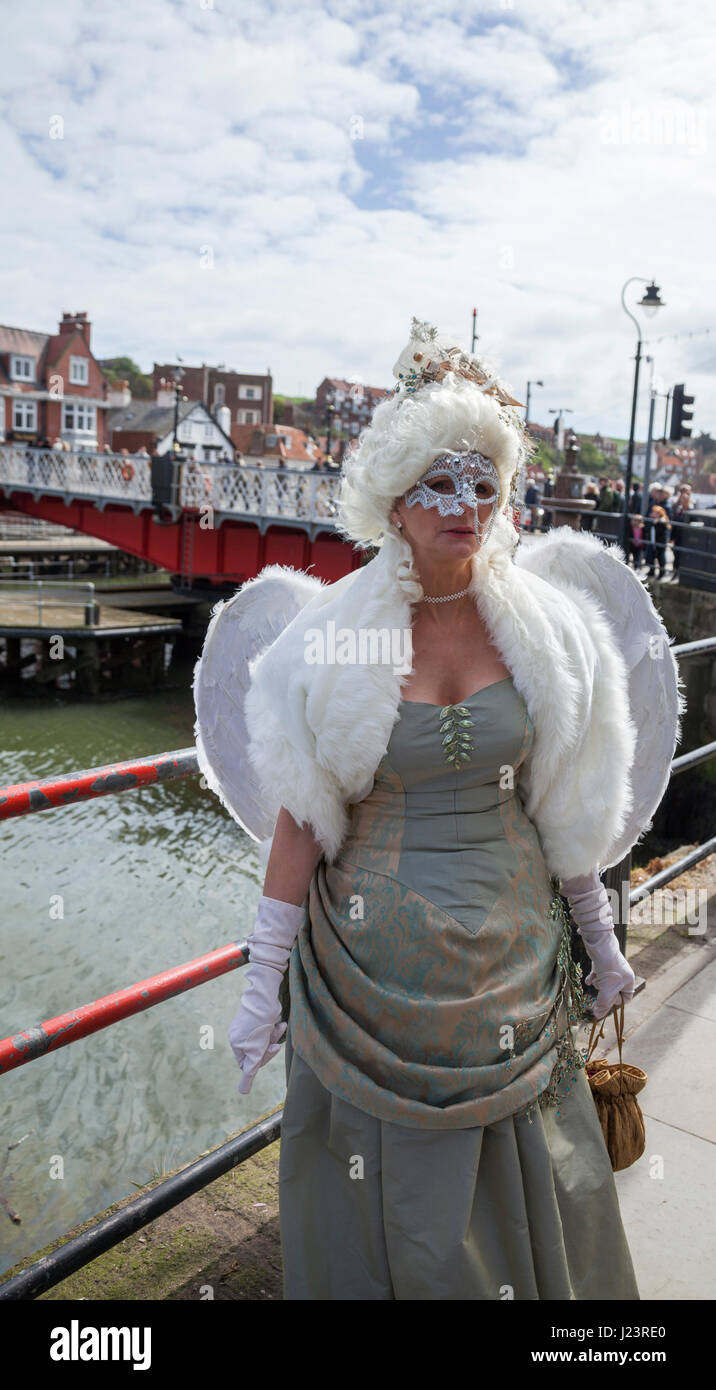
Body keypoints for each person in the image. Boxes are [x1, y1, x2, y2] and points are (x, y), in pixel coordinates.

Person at [193, 316, 682, 1301]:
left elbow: (564, 798)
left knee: (526, 1193)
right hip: (372, 979)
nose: (464, 504)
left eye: (481, 482)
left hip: (513, 955)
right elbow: (300, 818)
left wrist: (596, 934)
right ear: (394, 497)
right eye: (438, 482)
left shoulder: (545, 631)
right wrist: (260, 984)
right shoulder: (334, 638)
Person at [670, 485, 694, 579]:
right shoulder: (678, 511)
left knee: (683, 556)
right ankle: (675, 572)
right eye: (682, 500)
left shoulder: (691, 511)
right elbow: (674, 525)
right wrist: (671, 538)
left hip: (686, 537)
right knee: (676, 555)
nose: (683, 502)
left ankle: (682, 574)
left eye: (685, 500)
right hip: (678, 536)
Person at [645, 504, 671, 579]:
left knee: (661, 558)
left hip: (660, 543)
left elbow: (663, 532)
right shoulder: (651, 520)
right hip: (652, 541)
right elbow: (647, 528)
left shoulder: (663, 521)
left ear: (659, 513)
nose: (652, 513)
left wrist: (658, 523)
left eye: (654, 512)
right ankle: (651, 571)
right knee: (650, 557)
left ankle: (662, 572)